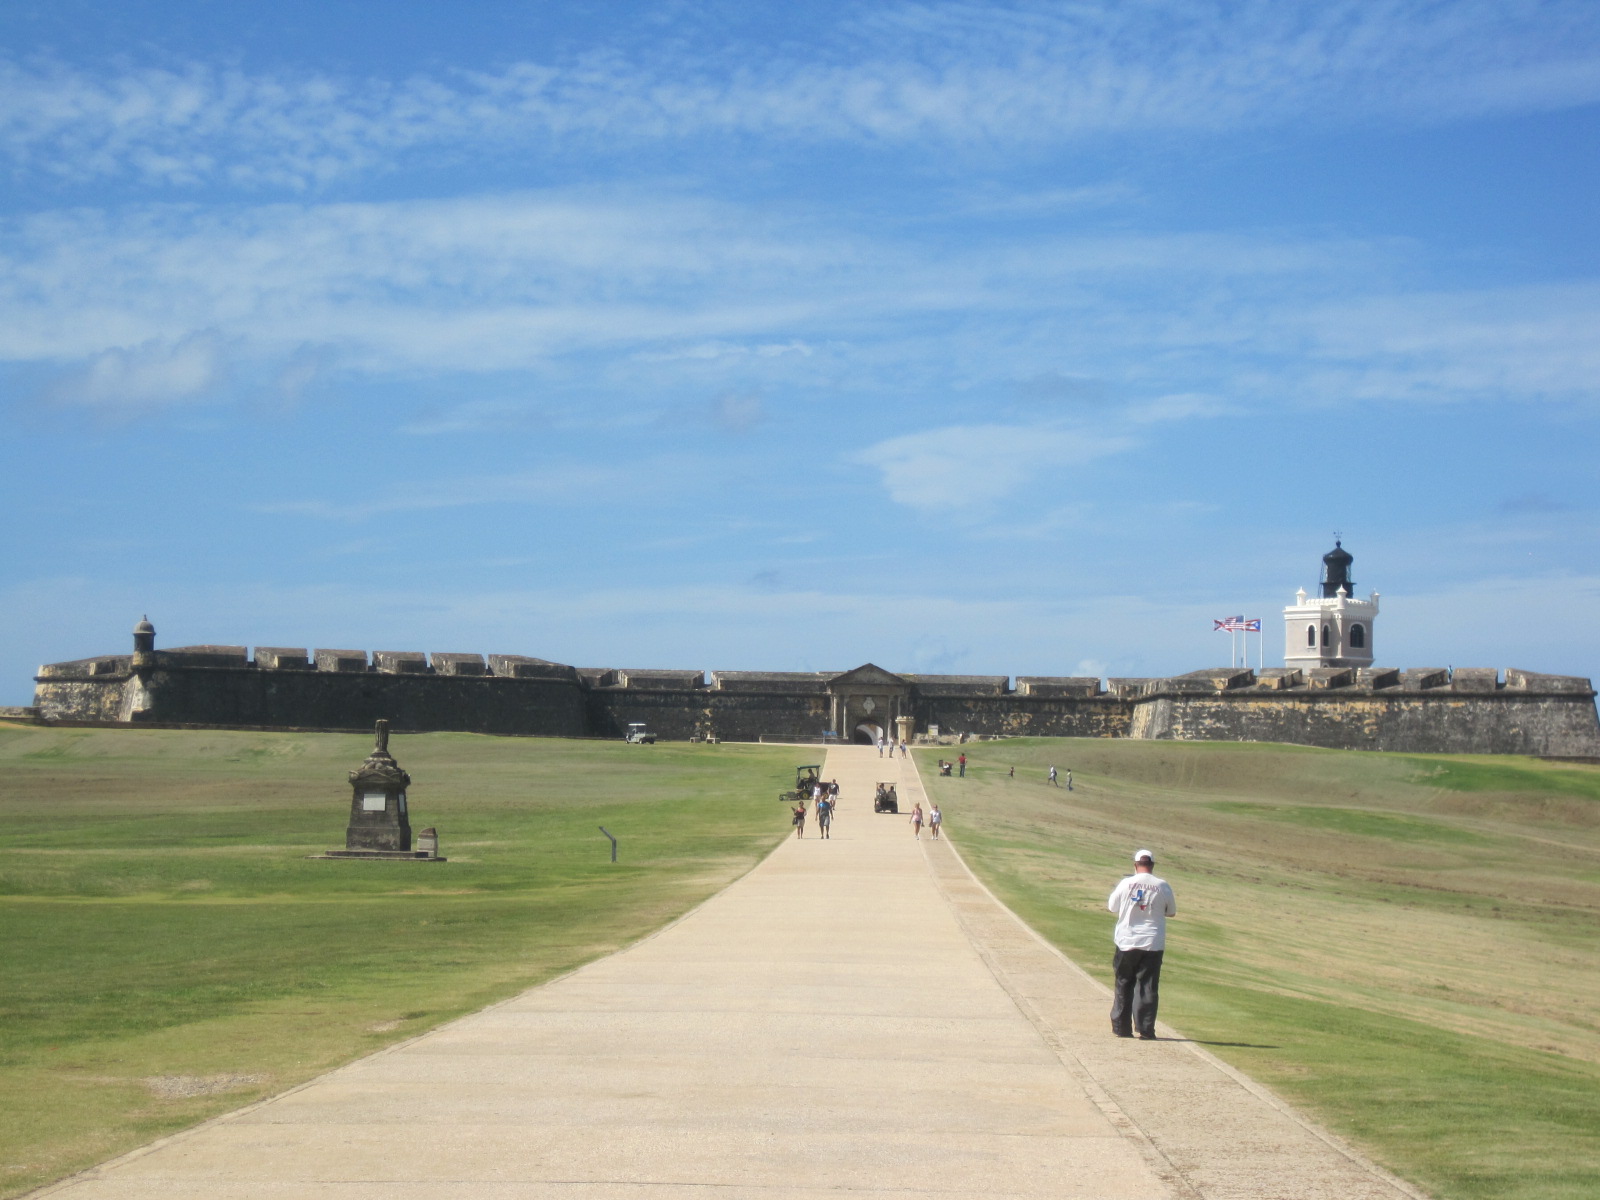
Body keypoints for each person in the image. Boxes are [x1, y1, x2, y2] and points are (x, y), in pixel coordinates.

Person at [1106, 849, 1177, 1040]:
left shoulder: (1126, 883)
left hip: (1127, 940)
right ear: (1152, 865)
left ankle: (1122, 1027)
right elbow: (1171, 911)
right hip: (1152, 942)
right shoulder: (1162, 886)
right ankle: (1146, 1029)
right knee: (1148, 985)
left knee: (1123, 982)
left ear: (1135, 865)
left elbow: (1112, 906)